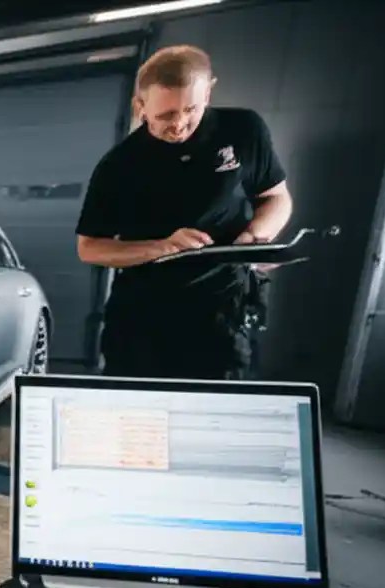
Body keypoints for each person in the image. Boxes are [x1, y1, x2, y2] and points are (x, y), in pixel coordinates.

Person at [75, 44, 293, 380]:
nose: (179, 124)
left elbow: (276, 197)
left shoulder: (244, 130)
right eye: (164, 115)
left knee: (216, 414)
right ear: (140, 106)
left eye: (190, 109)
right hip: (142, 316)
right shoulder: (119, 166)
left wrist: (254, 239)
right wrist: (162, 246)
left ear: (208, 92)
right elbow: (89, 247)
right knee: (138, 417)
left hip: (223, 309)